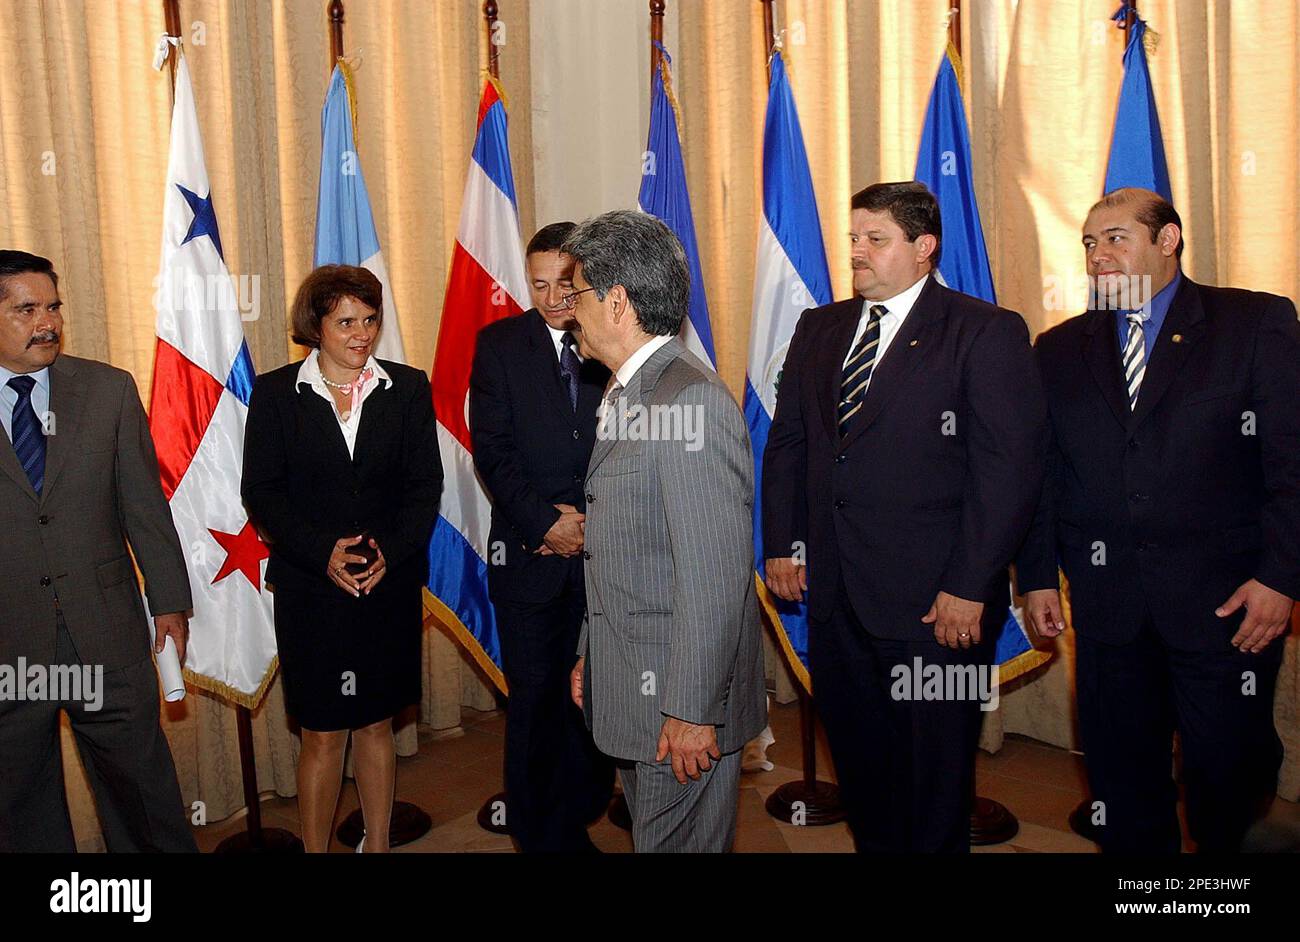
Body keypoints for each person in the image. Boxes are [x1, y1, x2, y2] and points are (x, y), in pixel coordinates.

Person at [762, 182, 1048, 852]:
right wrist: (783, 541)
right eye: (854, 238)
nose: (856, 252)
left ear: (924, 248)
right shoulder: (820, 327)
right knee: (863, 772)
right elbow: (791, 444)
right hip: (835, 599)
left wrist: (969, 585)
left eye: (875, 239)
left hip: (936, 608)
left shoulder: (985, 331)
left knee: (933, 778)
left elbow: (1009, 472)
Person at [1017, 187, 1300, 853]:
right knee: (1120, 783)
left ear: (1168, 239)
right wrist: (1034, 579)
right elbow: (1042, 476)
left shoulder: (1253, 324)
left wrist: (1281, 579)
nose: (1097, 255)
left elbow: (1292, 463)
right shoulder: (1058, 349)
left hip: (1231, 608)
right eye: (1089, 243)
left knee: (1228, 774)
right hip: (1109, 609)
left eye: (1116, 237)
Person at [563, 210, 766, 852]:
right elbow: (626, 550)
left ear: (617, 301)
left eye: (579, 295)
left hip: (675, 705)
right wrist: (592, 653)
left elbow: (714, 575)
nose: (570, 312)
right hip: (634, 683)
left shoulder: (688, 401)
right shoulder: (629, 391)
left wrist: (691, 709)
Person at [0, 250, 196, 852]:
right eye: (26, 309)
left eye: (53, 306)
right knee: (22, 807)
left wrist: (169, 602)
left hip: (106, 635)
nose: (48, 322)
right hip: (10, 647)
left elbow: (144, 507)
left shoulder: (108, 390)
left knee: (144, 796)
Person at [242, 265, 441, 853]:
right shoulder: (277, 392)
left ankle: (376, 845)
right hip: (312, 589)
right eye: (346, 321)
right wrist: (320, 551)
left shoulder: (407, 387)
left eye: (371, 319)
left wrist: (393, 554)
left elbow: (424, 487)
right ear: (316, 325)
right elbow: (263, 492)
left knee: (377, 722)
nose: (362, 333)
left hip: (388, 583)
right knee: (324, 733)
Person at [469, 221, 615, 852]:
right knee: (536, 699)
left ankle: (587, 804)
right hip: (530, 556)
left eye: (565, 282)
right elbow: (493, 451)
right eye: (539, 284)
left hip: (608, 555)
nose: (555, 296)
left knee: (599, 692)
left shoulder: (613, 340)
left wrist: (595, 523)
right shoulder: (499, 345)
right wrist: (546, 523)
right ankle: (541, 831)